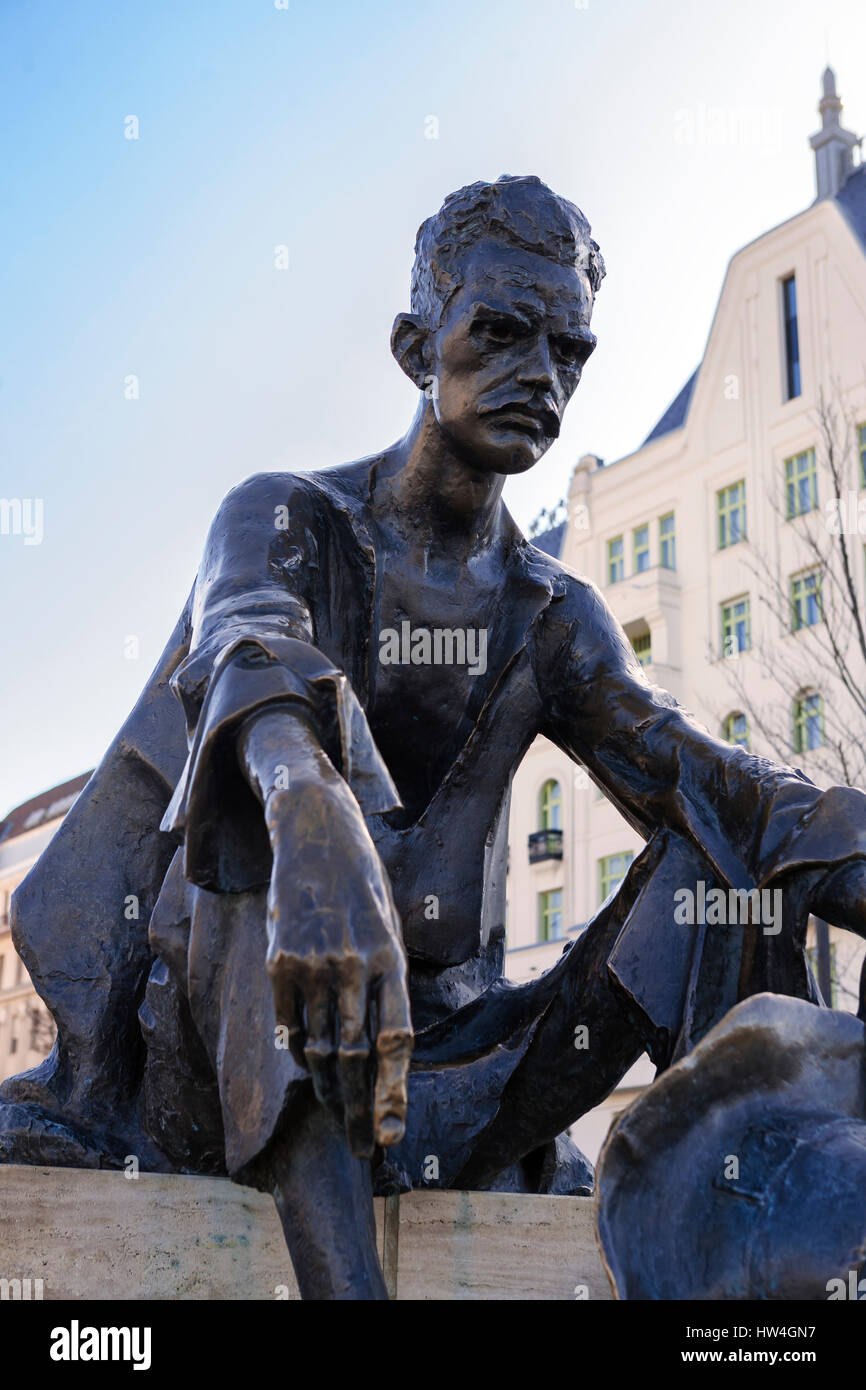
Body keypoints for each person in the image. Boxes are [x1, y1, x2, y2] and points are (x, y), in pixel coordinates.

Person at [5, 176, 866, 1300]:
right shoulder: (286, 517)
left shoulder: (552, 614)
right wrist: (310, 813)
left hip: (455, 1075)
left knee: (716, 854)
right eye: (500, 333)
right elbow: (246, 647)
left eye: (569, 349)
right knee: (263, 826)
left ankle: (725, 1263)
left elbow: (706, 780)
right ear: (418, 345)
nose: (541, 377)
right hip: (225, 1066)